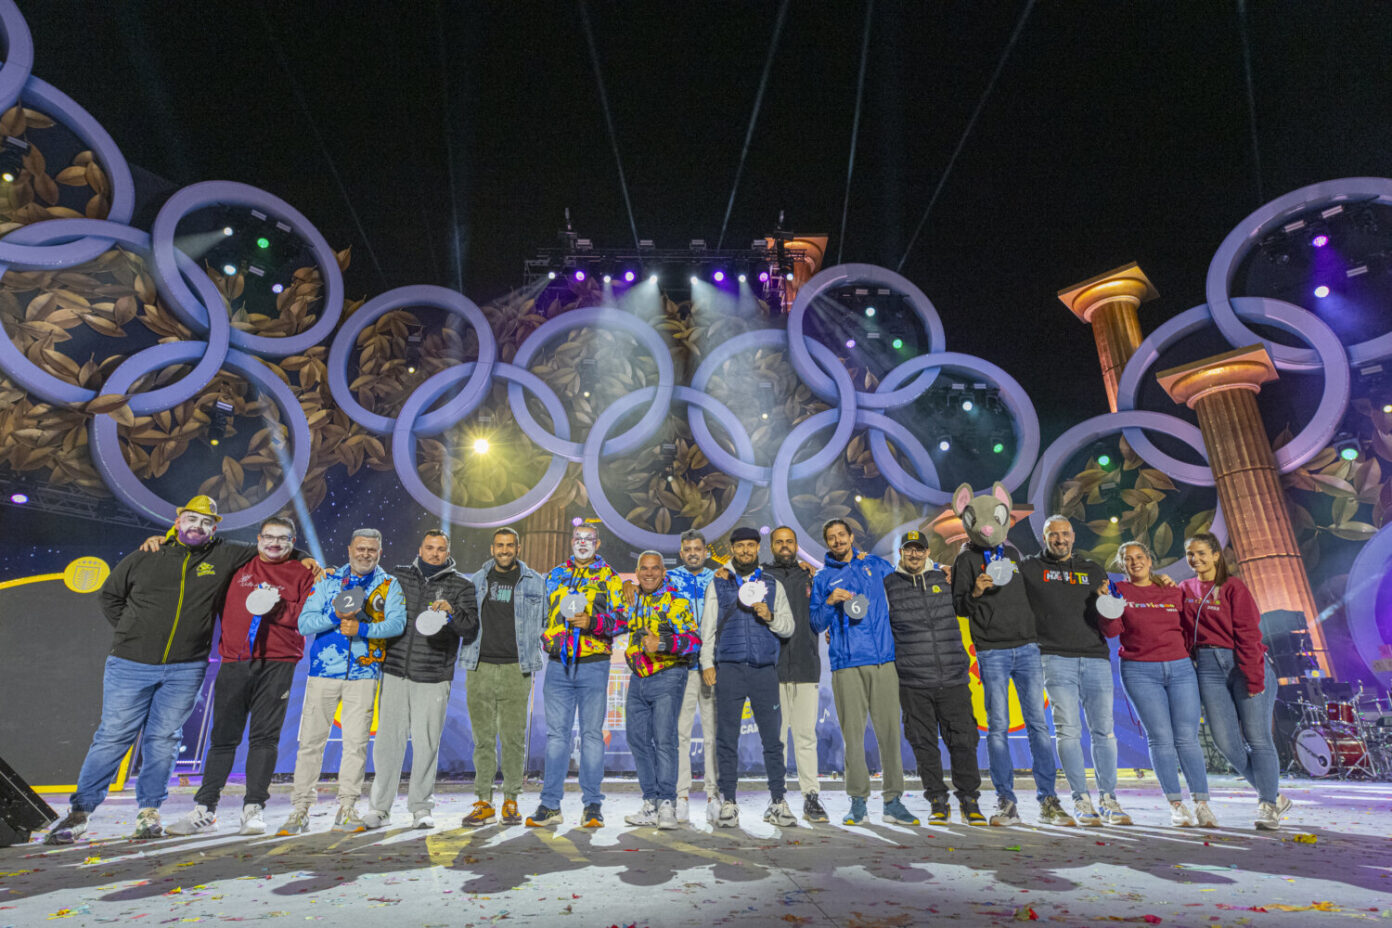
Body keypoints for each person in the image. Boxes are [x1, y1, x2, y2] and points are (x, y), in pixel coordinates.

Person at [44, 496, 315, 845]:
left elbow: (281, 555)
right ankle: (82, 812)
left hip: (189, 666)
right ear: (177, 522)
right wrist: (132, 633)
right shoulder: (149, 554)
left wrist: (305, 558)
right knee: (114, 736)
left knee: (164, 740)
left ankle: (152, 811)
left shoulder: (228, 555)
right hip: (134, 662)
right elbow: (110, 596)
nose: (197, 527)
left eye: (206, 522)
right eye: (191, 519)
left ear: (214, 529)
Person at [166, 516, 316, 837]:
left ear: (293, 543)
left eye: (283, 539)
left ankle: (254, 809)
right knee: (223, 738)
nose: (275, 543)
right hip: (234, 662)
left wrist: (275, 606)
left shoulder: (303, 573)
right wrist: (161, 540)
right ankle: (205, 809)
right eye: (269, 537)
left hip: (278, 663)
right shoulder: (237, 565)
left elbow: (307, 617)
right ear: (258, 539)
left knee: (264, 738)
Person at [949, 483, 1074, 827]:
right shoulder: (965, 560)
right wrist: (976, 591)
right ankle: (1006, 801)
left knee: (1038, 726)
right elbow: (958, 606)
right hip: (992, 651)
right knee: (998, 728)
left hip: (1028, 649)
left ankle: (1049, 799)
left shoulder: (1014, 555)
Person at [278, 529, 406, 835]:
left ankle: (347, 808)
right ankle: (300, 809)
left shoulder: (389, 584)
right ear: (350, 550)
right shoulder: (328, 581)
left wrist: (362, 630)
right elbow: (304, 623)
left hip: (364, 675)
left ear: (380, 553)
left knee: (356, 746)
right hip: (323, 673)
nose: (365, 554)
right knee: (310, 744)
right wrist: (335, 617)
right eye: (360, 548)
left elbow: (397, 623)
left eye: (371, 550)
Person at [363, 530, 479, 830]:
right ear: (420, 549)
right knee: (387, 744)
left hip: (433, 675)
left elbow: (470, 628)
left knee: (426, 745)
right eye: (430, 547)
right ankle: (379, 809)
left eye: (440, 549)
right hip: (395, 670)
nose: (434, 553)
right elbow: (370, 595)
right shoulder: (398, 576)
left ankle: (421, 808)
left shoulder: (461, 585)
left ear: (448, 552)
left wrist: (452, 613)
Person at [1019, 515, 1131, 827]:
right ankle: (1081, 799)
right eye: (1053, 535)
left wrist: (1111, 605)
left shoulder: (1092, 570)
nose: (1060, 539)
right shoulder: (1030, 568)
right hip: (1054, 658)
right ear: (1044, 538)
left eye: (1065, 533)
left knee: (1104, 731)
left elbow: (1110, 619)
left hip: (1095, 658)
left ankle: (1108, 798)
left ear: (1073, 536)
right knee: (1068, 731)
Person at [810, 519, 918, 827]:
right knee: (853, 738)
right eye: (831, 538)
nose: (837, 541)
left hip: (883, 660)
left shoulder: (875, 565)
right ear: (827, 543)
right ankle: (858, 802)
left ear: (851, 536)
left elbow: (906, 577)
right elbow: (816, 623)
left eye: (841, 535)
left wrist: (940, 569)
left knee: (890, 735)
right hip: (846, 665)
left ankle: (893, 801)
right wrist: (830, 601)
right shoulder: (823, 577)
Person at [1179, 532, 1290, 831]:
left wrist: (1253, 677)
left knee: (1257, 738)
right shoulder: (1184, 589)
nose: (1195, 559)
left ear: (1216, 555)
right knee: (1226, 743)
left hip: (1243, 662)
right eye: (1190, 554)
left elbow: (1249, 634)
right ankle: (1274, 794)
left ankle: (1267, 805)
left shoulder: (1233, 587)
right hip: (1207, 668)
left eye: (1201, 553)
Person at [1106, 541, 1215, 828]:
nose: (1135, 562)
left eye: (1139, 556)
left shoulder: (1171, 590)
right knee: (1161, 738)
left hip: (1180, 669)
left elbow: (1189, 628)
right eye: (1128, 559)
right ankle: (1177, 806)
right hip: (1140, 671)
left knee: (1187, 738)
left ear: (1150, 560)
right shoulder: (1119, 591)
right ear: (1122, 565)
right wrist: (1107, 605)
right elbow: (1112, 631)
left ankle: (1202, 805)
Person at [527, 523, 627, 828]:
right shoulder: (555, 575)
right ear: (571, 541)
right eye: (578, 538)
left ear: (597, 543)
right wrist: (545, 637)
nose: (583, 543)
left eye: (589, 539)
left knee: (592, 735)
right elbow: (540, 615)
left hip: (594, 664)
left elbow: (623, 619)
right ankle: (550, 805)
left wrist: (593, 622)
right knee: (556, 736)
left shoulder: (609, 577)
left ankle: (592, 805)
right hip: (558, 665)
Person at [883, 531, 985, 827]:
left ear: (928, 552)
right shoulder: (889, 584)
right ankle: (937, 800)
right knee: (923, 744)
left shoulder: (945, 578)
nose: (914, 555)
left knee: (963, 741)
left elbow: (967, 605)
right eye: (908, 550)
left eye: (919, 549)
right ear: (901, 553)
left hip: (952, 676)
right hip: (913, 681)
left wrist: (971, 588)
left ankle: (969, 799)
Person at [701, 526, 796, 828]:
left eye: (750, 546)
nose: (745, 551)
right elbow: (707, 628)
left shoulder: (772, 584)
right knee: (727, 738)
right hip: (729, 669)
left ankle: (778, 801)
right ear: (732, 549)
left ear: (758, 549)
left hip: (763, 670)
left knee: (773, 740)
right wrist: (707, 663)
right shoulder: (718, 582)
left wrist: (770, 617)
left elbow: (789, 627)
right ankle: (729, 801)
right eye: (740, 546)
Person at [460, 527, 547, 828]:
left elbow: (545, 620)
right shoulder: (476, 580)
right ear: (492, 548)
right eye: (500, 545)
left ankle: (511, 800)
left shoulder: (535, 582)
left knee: (513, 739)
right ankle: (484, 802)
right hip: (480, 667)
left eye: (510, 545)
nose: (505, 550)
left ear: (518, 549)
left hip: (516, 669)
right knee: (482, 740)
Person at [623, 551, 701, 829]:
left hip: (668, 675)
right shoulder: (631, 599)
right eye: (644, 568)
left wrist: (664, 644)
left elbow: (694, 640)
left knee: (665, 740)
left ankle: (668, 803)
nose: (649, 573)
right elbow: (611, 619)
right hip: (638, 677)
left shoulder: (675, 601)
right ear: (637, 571)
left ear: (663, 572)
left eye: (655, 568)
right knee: (638, 740)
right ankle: (650, 803)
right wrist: (624, 585)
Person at [764, 526, 827, 823]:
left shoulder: (810, 576)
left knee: (805, 737)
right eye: (779, 542)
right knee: (776, 740)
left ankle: (811, 797)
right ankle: (777, 799)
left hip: (805, 666)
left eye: (789, 541)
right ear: (771, 546)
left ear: (797, 545)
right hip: (771, 669)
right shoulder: (761, 578)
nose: (785, 546)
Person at [669, 529, 719, 825]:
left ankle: (714, 796)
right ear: (681, 552)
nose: (692, 553)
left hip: (712, 666)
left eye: (697, 549)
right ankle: (681, 796)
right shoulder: (670, 579)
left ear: (706, 552)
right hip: (682, 666)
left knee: (714, 735)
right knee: (680, 734)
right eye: (687, 549)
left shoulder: (719, 578)